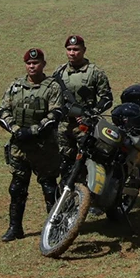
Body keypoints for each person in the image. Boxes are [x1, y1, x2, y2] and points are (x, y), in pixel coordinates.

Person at [0, 48, 64, 241]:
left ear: (43, 64)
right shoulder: (15, 86)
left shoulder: (52, 87)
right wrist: (17, 130)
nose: (32, 66)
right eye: (28, 63)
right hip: (19, 148)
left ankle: (55, 230)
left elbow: (55, 114)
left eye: (36, 63)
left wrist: (33, 131)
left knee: (50, 188)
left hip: (44, 148)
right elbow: (3, 112)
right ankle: (15, 228)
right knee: (17, 188)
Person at [50, 34, 112, 180]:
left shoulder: (95, 72)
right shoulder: (59, 73)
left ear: (84, 50)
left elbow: (107, 98)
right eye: (69, 49)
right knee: (65, 161)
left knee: (90, 160)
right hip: (64, 126)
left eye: (76, 49)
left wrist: (91, 113)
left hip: (86, 126)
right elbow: (52, 97)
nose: (72, 53)